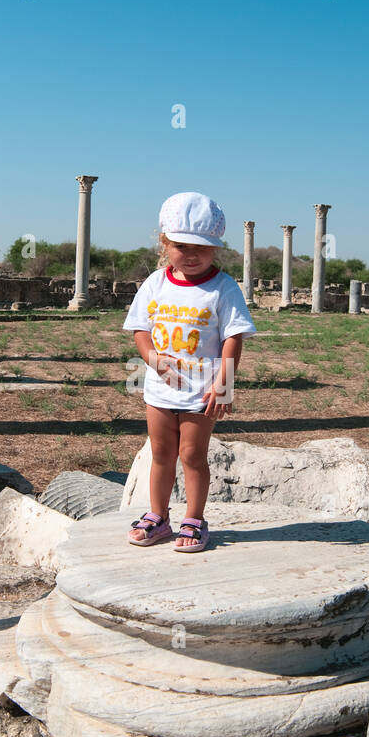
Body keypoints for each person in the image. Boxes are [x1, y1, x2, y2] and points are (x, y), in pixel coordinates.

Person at [122, 192, 256, 553]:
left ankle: (194, 518)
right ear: (164, 243)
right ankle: (158, 516)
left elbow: (233, 337)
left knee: (193, 455)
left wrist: (224, 384)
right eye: (182, 245)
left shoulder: (223, 287)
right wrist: (152, 359)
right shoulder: (156, 283)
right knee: (161, 453)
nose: (193, 254)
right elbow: (140, 329)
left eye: (204, 247)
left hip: (202, 391)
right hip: (160, 389)